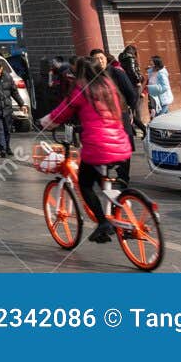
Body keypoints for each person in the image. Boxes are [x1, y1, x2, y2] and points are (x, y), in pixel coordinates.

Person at [43, 57, 132, 244]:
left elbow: (63, 111)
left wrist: (46, 122)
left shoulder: (81, 89)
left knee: (84, 184)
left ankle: (103, 223)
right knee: (102, 180)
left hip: (98, 147)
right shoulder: (109, 85)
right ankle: (119, 212)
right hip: (121, 145)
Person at [90, 47, 141, 146]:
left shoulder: (117, 73)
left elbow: (131, 93)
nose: (100, 61)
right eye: (96, 59)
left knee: (124, 144)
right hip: (103, 118)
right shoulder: (92, 77)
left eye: (101, 58)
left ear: (106, 59)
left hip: (120, 113)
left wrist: (128, 108)